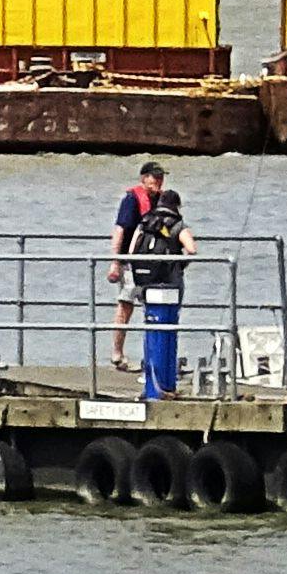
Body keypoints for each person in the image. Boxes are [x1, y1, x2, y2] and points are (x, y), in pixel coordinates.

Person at [114, 161, 195, 397]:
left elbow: (135, 243)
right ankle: (118, 353)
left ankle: (155, 369)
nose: (159, 181)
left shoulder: (155, 208)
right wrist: (116, 262)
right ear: (144, 178)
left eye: (161, 177)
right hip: (145, 269)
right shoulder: (132, 200)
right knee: (127, 306)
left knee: (152, 316)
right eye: (154, 177)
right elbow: (120, 230)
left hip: (150, 270)